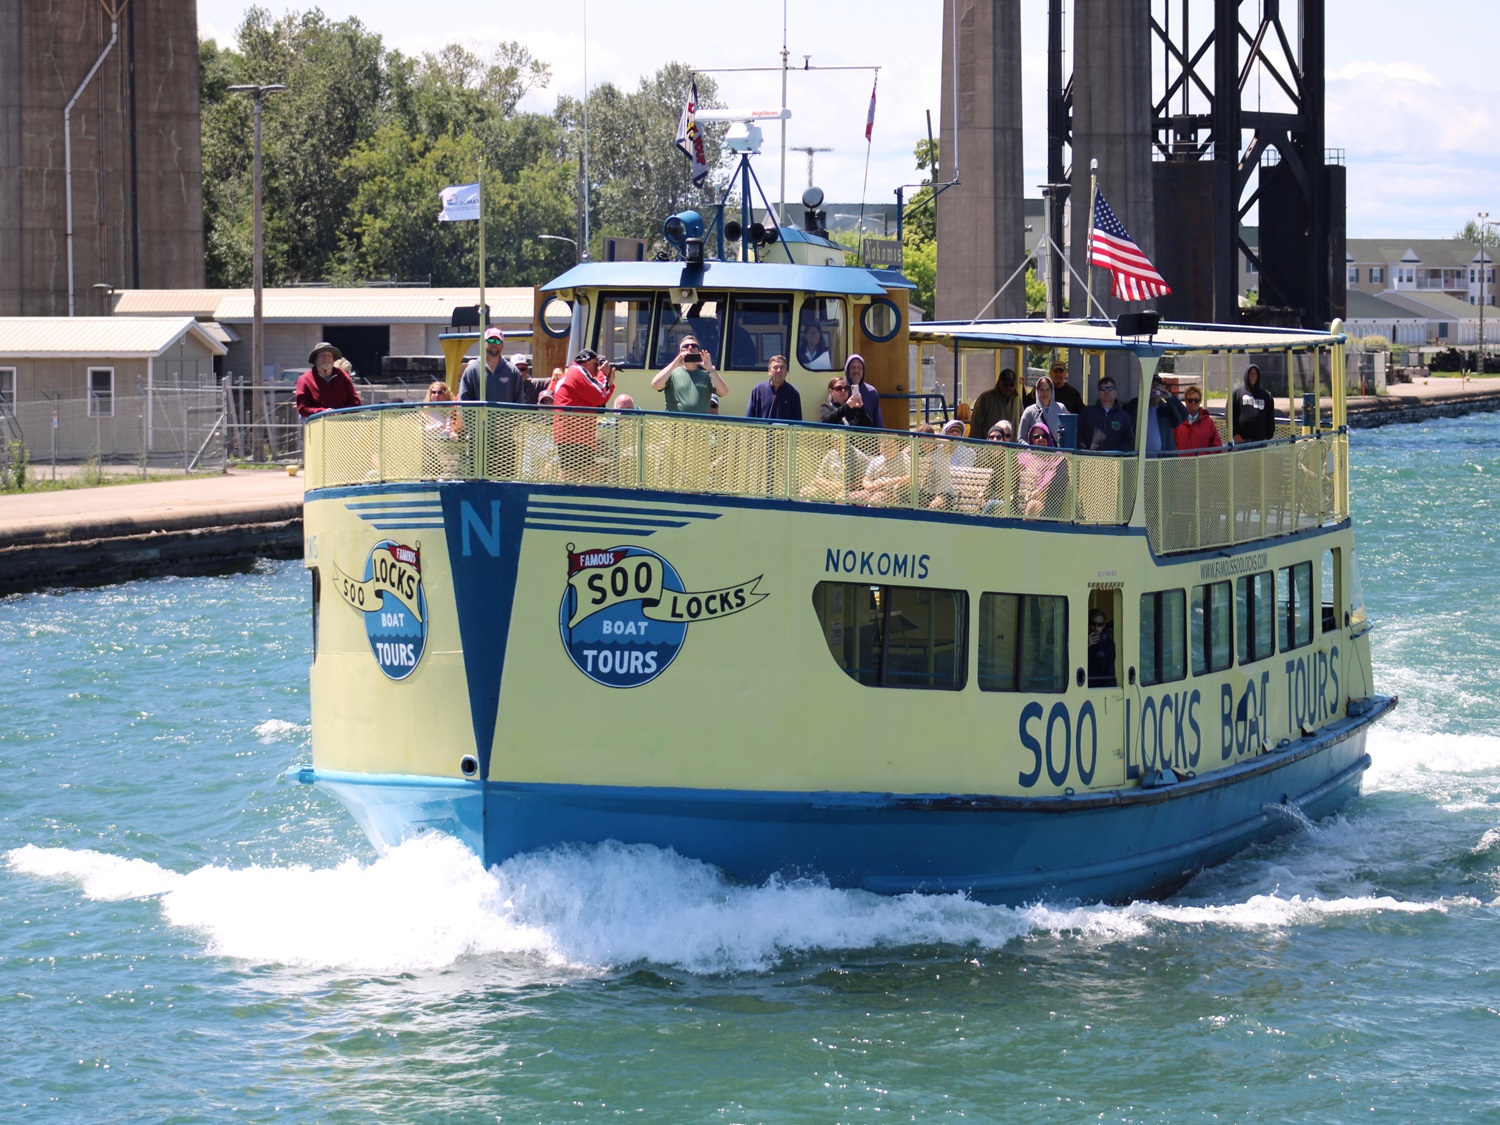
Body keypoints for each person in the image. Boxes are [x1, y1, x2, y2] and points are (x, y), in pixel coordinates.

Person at [552, 349, 616, 479]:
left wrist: (610, 383)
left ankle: (571, 497)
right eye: (595, 363)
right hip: (573, 432)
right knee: (572, 474)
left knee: (584, 472)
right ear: (587, 363)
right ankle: (561, 497)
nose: (597, 368)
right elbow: (599, 396)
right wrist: (603, 374)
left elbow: (600, 401)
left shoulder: (573, 373)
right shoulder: (578, 371)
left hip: (578, 434)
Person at [651, 335, 727, 413]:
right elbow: (655, 385)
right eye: (686, 346)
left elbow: (724, 392)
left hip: (699, 424)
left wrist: (711, 369)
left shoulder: (706, 376)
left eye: (694, 346)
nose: (690, 348)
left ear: (699, 352)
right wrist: (675, 363)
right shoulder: (672, 374)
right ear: (680, 352)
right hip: (676, 423)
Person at [458, 328, 533, 405]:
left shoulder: (513, 372)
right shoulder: (471, 370)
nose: (494, 344)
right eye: (490, 341)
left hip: (506, 417)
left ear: (502, 344)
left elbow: (519, 404)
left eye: (498, 341)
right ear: (484, 343)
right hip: (479, 417)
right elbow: (464, 402)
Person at [295, 341, 361, 417]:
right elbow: (303, 408)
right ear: (315, 360)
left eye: (329, 355)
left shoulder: (343, 377)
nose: (326, 358)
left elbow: (355, 402)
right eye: (322, 355)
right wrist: (324, 412)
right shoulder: (304, 380)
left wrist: (340, 412)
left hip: (343, 423)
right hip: (316, 424)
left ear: (333, 360)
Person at [1019, 420, 1067, 517]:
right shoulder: (1022, 456)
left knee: (1033, 506)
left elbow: (1055, 481)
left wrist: (1040, 492)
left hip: (1049, 502)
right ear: (1031, 440)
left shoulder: (1058, 457)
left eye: (1044, 435)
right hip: (1022, 499)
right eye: (1036, 436)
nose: (1040, 438)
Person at [1078, 375, 1134, 452]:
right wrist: (1085, 451)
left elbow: (1129, 441)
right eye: (1103, 389)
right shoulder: (1087, 412)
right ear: (1098, 392)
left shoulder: (1123, 416)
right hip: (1089, 460)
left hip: (1115, 462)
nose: (1106, 391)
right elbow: (1078, 434)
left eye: (1110, 389)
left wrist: (1115, 453)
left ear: (1115, 392)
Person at [969, 367, 1022, 444]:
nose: (1008, 387)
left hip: (1011, 449)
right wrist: (975, 447)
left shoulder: (1017, 399)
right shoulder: (986, 398)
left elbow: (1022, 421)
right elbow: (976, 425)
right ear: (998, 383)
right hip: (989, 448)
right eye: (1005, 384)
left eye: (1012, 385)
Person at [746, 355, 802, 420]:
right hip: (761, 430)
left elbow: (798, 422)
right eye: (775, 367)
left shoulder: (793, 393)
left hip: (784, 430)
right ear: (769, 371)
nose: (779, 370)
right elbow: (749, 418)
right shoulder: (758, 390)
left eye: (782, 367)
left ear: (786, 372)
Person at [1232, 363, 1276, 444]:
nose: (1253, 376)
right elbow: (1230, 415)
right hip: (1241, 441)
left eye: (1255, 373)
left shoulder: (1266, 396)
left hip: (1260, 442)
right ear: (1246, 375)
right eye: (1250, 373)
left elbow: (1270, 418)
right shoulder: (1237, 394)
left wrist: (1268, 436)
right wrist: (1235, 434)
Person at [1019, 374, 1066, 446]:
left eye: (1047, 390)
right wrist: (1031, 450)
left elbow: (1067, 435)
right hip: (1034, 455)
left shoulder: (1061, 409)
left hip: (1056, 456)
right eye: (1042, 390)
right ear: (1037, 392)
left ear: (1052, 391)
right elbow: (1021, 438)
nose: (1045, 393)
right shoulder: (1029, 411)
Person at [1175, 385, 1222, 454]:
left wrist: (1206, 456)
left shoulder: (1208, 422)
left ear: (1200, 401)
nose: (1193, 403)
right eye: (1190, 400)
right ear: (1186, 401)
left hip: (1202, 463)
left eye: (1196, 400)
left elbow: (1217, 445)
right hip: (1181, 463)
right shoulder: (1177, 421)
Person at [841, 354, 884, 428]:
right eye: (853, 367)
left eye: (859, 368)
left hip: (866, 436)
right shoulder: (840, 389)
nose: (856, 371)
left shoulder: (871, 392)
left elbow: (877, 419)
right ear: (847, 370)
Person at [1087, 610, 1117, 687]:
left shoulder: (1109, 644)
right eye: (1093, 624)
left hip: (1102, 686)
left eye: (1100, 625)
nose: (1096, 628)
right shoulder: (1080, 641)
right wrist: (1085, 646)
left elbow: (1110, 670)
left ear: (1104, 625)